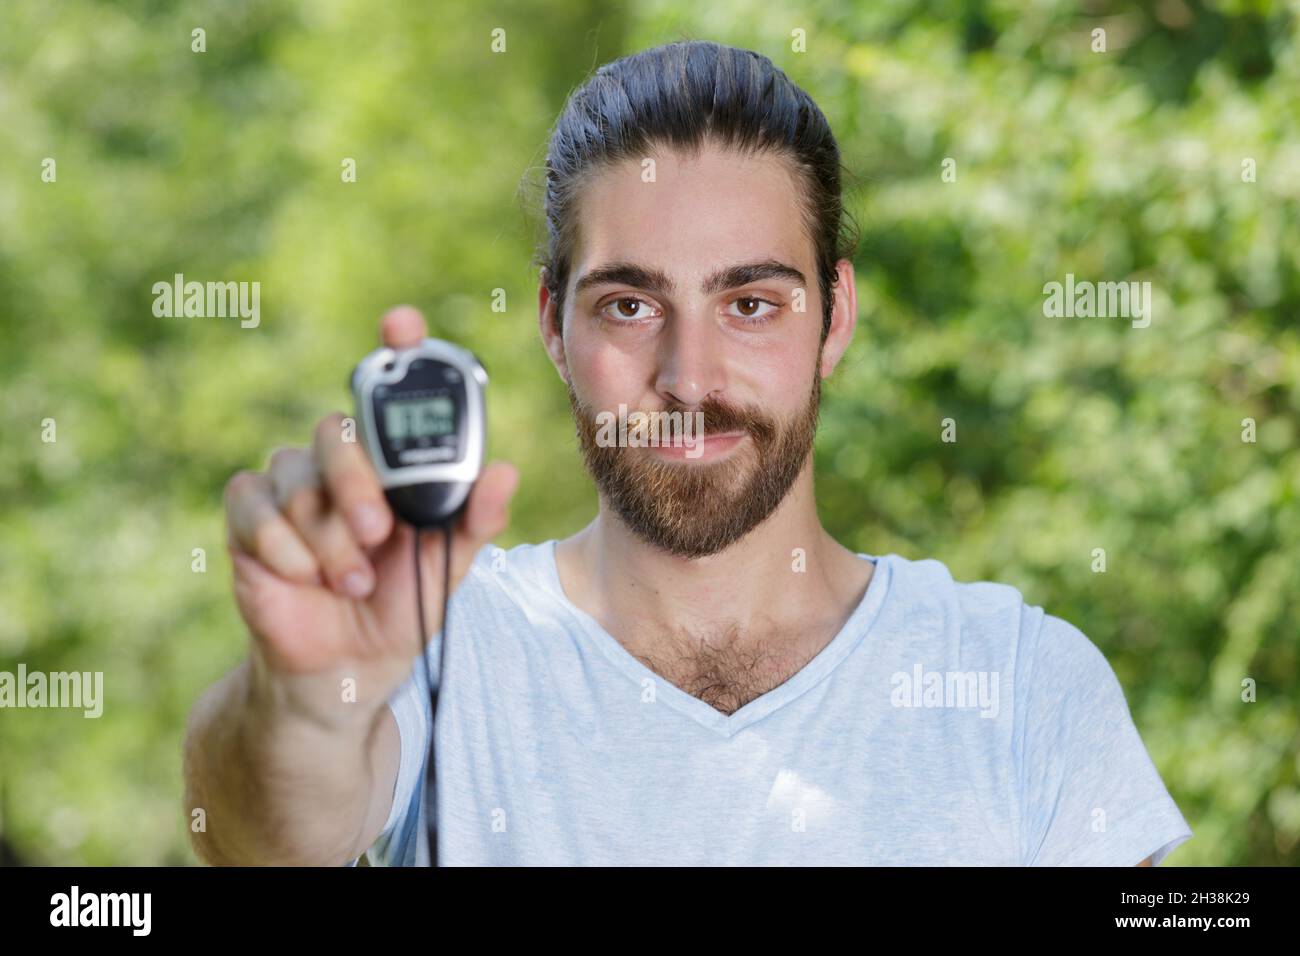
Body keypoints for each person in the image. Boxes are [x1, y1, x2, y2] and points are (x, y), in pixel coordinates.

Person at [183, 40, 1191, 866]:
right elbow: (259, 835)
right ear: (551, 324)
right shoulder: (436, 641)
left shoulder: (1021, 682)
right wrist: (307, 700)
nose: (688, 375)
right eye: (630, 304)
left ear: (834, 318)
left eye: (750, 304)